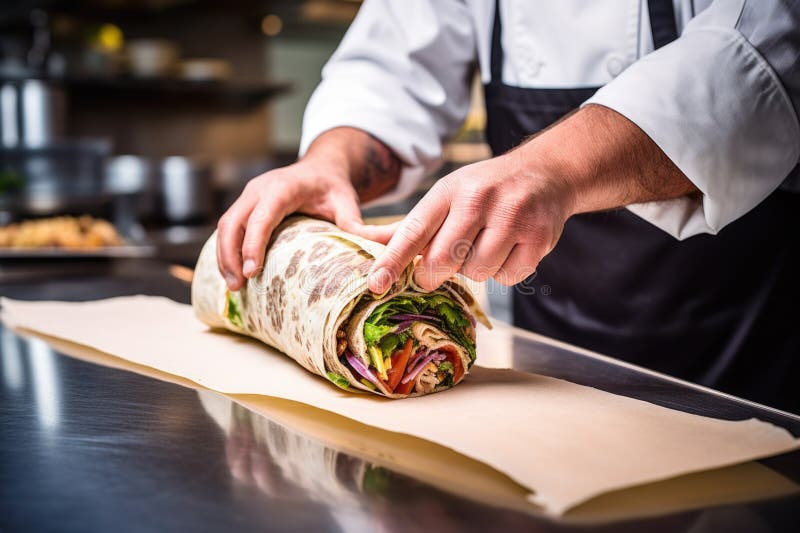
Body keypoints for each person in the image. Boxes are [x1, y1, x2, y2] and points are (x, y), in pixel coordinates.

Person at [216, 1, 800, 413]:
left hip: (750, 351)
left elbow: (765, 52)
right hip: (550, 366)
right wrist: (330, 161)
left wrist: (552, 169)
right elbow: (390, 69)